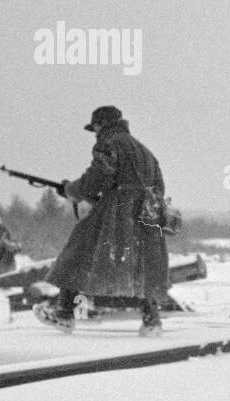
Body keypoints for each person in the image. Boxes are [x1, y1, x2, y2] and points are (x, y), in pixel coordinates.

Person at [34, 106, 171, 337]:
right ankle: (152, 321)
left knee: (79, 252)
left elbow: (96, 179)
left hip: (117, 213)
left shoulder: (109, 143)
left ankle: (64, 314)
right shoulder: (145, 151)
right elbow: (158, 187)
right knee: (142, 264)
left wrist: (70, 189)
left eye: (95, 128)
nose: (95, 133)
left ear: (101, 125)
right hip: (147, 214)